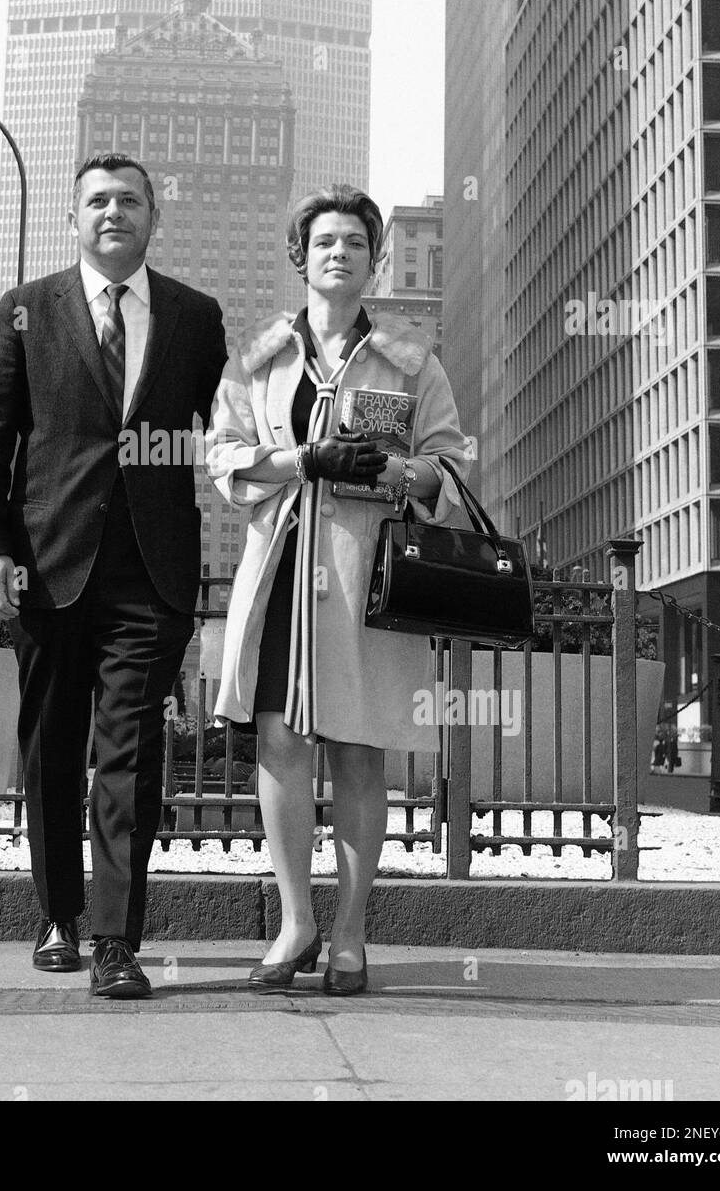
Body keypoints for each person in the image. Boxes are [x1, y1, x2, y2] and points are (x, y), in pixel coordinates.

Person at [0, 152, 227, 998]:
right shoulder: (25, 311)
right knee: (50, 749)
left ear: (155, 218)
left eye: (130, 202)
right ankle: (57, 917)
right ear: (73, 219)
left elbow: (228, 432)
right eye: (98, 202)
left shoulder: (194, 316)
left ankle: (116, 939)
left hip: (151, 575)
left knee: (130, 752)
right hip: (46, 568)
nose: (114, 213)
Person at [205, 185, 471, 994]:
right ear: (300, 257)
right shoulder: (256, 360)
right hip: (282, 572)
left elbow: (451, 463)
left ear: (373, 258)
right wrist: (301, 462)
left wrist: (395, 470)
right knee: (280, 744)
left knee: (360, 747)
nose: (338, 253)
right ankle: (294, 924)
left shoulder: (409, 361)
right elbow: (222, 458)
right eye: (323, 241)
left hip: (366, 578)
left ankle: (351, 934)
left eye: (355, 242)